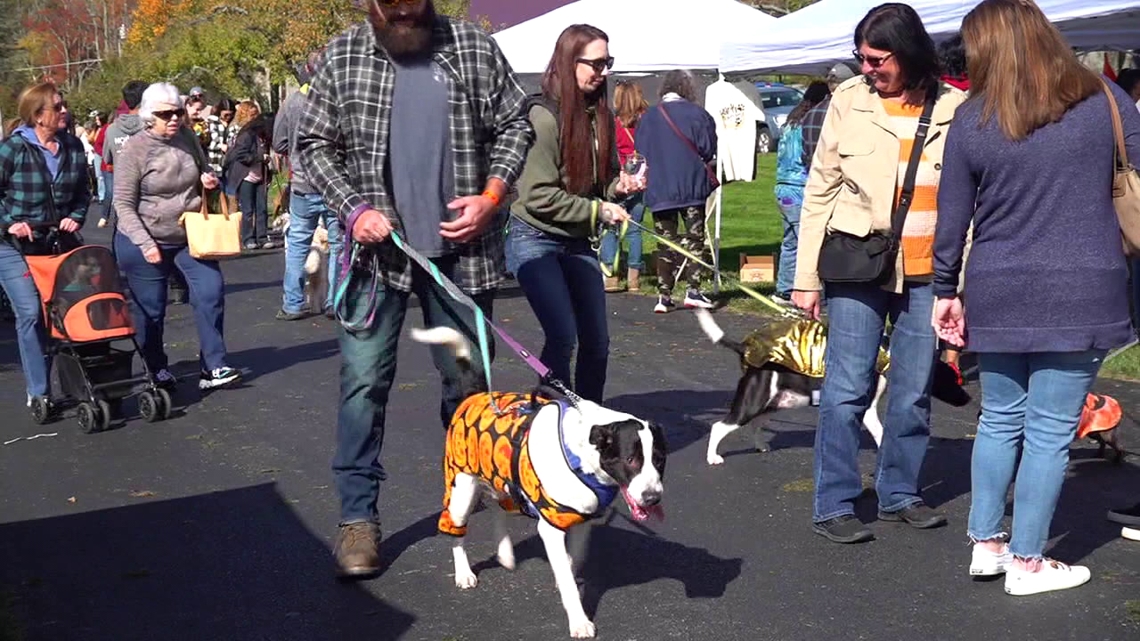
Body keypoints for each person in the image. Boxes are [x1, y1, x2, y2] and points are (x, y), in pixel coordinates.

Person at [296, 0, 533, 578]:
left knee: (469, 390)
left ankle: (469, 496)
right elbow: (313, 146)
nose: (404, 11)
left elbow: (515, 124)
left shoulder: (472, 48)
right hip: (376, 261)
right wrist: (353, 211)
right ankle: (357, 520)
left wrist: (493, 195)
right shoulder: (346, 54)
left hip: (463, 261)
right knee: (362, 389)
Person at [933, 0, 1139, 594]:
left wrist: (946, 289)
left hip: (998, 285)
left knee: (999, 418)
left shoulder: (973, 119)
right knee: (1050, 430)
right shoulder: (1105, 100)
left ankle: (987, 545)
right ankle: (1027, 563)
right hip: (1084, 282)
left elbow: (952, 220)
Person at [792, 3, 968, 544]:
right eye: (861, 58)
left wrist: (958, 286)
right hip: (856, 267)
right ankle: (834, 502)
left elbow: (971, 204)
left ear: (909, 52)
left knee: (913, 390)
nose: (866, 68)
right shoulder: (848, 102)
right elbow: (818, 191)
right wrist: (805, 279)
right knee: (847, 389)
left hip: (926, 275)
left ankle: (899, 493)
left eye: (876, 59)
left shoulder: (957, 108)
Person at [507, 24, 634, 402]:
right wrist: (599, 209)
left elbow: (600, 182)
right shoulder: (543, 117)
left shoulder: (602, 116)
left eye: (608, 62)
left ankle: (590, 420)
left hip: (577, 238)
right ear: (569, 61)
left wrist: (618, 188)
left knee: (597, 340)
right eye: (596, 63)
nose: (604, 71)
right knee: (563, 334)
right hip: (535, 237)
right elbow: (538, 197)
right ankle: (553, 413)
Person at [113, 82, 241, 392]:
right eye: (165, 114)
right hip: (143, 238)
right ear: (148, 117)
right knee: (152, 310)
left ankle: (214, 365)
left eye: (178, 112)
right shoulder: (135, 150)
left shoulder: (186, 137)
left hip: (189, 234)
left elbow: (203, 166)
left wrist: (206, 178)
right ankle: (155, 368)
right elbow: (123, 204)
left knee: (211, 290)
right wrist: (146, 244)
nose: (174, 118)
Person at [0, 82, 89, 412]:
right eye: (57, 106)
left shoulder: (73, 147)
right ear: (38, 116)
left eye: (63, 105)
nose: (64, 110)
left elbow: (83, 192)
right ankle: (38, 390)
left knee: (64, 312)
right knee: (30, 312)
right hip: (12, 245)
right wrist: (10, 221)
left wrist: (77, 216)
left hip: (56, 242)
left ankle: (74, 381)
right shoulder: (13, 148)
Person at [635, 70, 718, 313]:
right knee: (694, 239)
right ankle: (693, 290)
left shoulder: (648, 117)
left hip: (661, 188)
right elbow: (708, 148)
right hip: (691, 185)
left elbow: (640, 151)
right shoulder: (698, 115)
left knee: (665, 242)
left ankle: (664, 295)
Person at [274, 48, 344, 321]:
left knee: (298, 243)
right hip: (334, 184)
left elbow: (279, 142)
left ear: (307, 70)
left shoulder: (292, 103)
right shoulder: (338, 100)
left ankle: (292, 303)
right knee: (338, 245)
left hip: (303, 182)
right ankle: (334, 302)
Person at [772, 81, 829, 307]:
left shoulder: (790, 122)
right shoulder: (810, 123)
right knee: (808, 240)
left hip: (782, 187)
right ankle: (804, 288)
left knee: (790, 241)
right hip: (799, 187)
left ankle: (784, 287)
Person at [600, 80, 648, 294]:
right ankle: (634, 278)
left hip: (618, 181)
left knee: (611, 227)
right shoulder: (646, 122)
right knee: (635, 230)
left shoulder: (613, 124)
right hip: (640, 181)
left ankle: (611, 276)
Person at [100, 80, 148, 229]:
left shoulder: (112, 129)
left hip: (123, 193)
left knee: (122, 230)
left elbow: (107, 158)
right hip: (148, 194)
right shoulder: (151, 127)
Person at [223, 112, 274, 250]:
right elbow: (240, 155)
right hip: (246, 177)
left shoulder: (264, 138)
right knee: (248, 209)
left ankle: (262, 237)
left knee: (262, 208)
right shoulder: (247, 136)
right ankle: (248, 238)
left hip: (260, 176)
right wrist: (259, 158)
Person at [801, 62, 856, 167]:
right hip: (842, 178)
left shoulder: (811, 114)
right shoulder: (851, 111)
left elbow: (805, 155)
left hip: (816, 176)